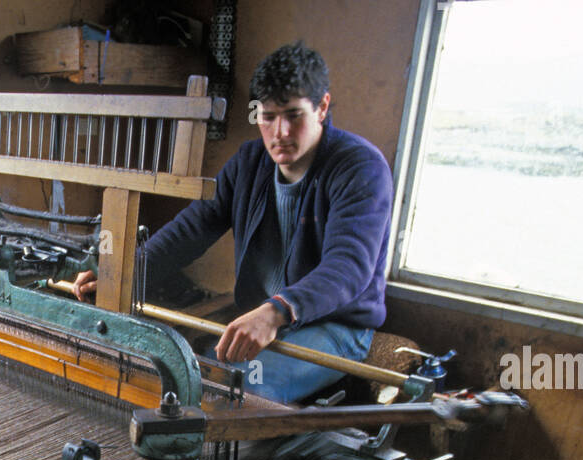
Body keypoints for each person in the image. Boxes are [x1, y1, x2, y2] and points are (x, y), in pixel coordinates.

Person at [72, 41, 393, 405]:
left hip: (334, 327)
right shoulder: (249, 162)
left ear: (322, 107)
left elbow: (348, 267)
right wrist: (119, 276)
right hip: (264, 313)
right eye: (268, 117)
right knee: (188, 369)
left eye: (293, 115)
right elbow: (192, 229)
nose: (280, 133)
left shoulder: (360, 168)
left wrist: (277, 312)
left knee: (234, 387)